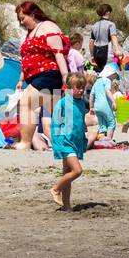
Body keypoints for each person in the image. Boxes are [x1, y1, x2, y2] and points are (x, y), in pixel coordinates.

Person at [15, 0, 69, 150]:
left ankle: (25, 143)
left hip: (49, 75)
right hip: (36, 77)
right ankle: (67, 143)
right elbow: (26, 60)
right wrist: (21, 79)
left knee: (27, 102)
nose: (21, 22)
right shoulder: (31, 32)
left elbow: (58, 53)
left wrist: (66, 77)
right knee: (53, 114)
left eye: (23, 18)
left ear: (32, 14)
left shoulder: (47, 27)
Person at [50, 72, 90, 210]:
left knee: (67, 172)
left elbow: (81, 124)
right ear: (68, 87)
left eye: (82, 88)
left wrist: (84, 141)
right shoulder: (62, 103)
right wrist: (58, 143)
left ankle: (66, 206)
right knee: (77, 171)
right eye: (77, 87)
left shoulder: (81, 104)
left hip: (75, 142)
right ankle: (56, 189)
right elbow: (55, 125)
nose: (80, 90)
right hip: (65, 142)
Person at [88, 4, 122, 70]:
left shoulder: (94, 25)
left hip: (96, 52)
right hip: (106, 51)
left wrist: (92, 56)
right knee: (108, 72)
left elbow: (91, 42)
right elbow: (113, 37)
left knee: (99, 72)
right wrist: (117, 50)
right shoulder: (111, 24)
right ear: (108, 12)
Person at [91, 63, 119, 141]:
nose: (114, 79)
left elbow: (92, 94)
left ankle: (101, 139)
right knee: (111, 123)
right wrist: (113, 101)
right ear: (113, 73)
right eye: (115, 77)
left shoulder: (97, 82)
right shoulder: (107, 80)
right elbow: (107, 91)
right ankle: (109, 140)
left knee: (102, 125)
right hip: (105, 107)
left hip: (97, 108)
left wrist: (91, 106)